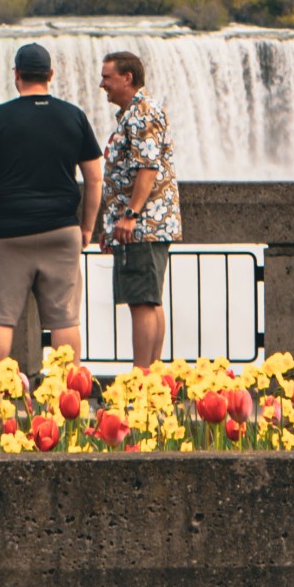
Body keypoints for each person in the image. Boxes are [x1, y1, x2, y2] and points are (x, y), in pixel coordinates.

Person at [0, 41, 104, 388]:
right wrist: (86, 227)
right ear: (51, 75)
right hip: (61, 230)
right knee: (64, 319)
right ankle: (68, 397)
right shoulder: (74, 116)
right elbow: (95, 177)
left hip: (6, 234)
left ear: (16, 76)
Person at [98, 49, 180, 369]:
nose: (102, 84)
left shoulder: (142, 112)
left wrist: (129, 216)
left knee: (142, 302)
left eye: (107, 77)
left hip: (143, 225)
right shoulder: (140, 111)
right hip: (147, 224)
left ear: (127, 78)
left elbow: (147, 168)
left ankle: (142, 377)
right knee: (150, 300)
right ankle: (153, 375)